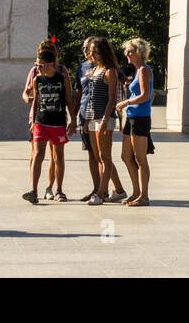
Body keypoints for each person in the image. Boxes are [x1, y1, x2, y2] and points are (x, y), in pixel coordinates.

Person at [21, 47, 76, 203]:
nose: (37, 68)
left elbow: (69, 101)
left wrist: (73, 120)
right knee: (38, 154)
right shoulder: (37, 79)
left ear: (50, 64)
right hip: (41, 121)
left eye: (40, 65)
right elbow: (36, 101)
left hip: (58, 122)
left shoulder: (62, 79)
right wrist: (32, 121)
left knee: (58, 155)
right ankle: (33, 190)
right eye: (37, 65)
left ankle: (59, 190)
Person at [76, 37, 126, 204]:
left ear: (103, 52)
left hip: (104, 118)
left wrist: (105, 119)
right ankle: (118, 190)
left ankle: (101, 193)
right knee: (98, 157)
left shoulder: (110, 71)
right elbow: (88, 96)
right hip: (90, 117)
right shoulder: (94, 70)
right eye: (90, 51)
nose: (91, 54)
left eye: (95, 51)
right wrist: (84, 120)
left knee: (105, 157)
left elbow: (112, 99)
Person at [114, 38, 154, 207]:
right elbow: (149, 96)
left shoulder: (144, 70)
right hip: (132, 117)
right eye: (126, 51)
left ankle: (144, 196)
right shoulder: (137, 71)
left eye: (130, 51)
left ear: (139, 52)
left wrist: (126, 102)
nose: (127, 54)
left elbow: (145, 95)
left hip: (140, 118)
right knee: (125, 156)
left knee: (140, 158)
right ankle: (136, 192)